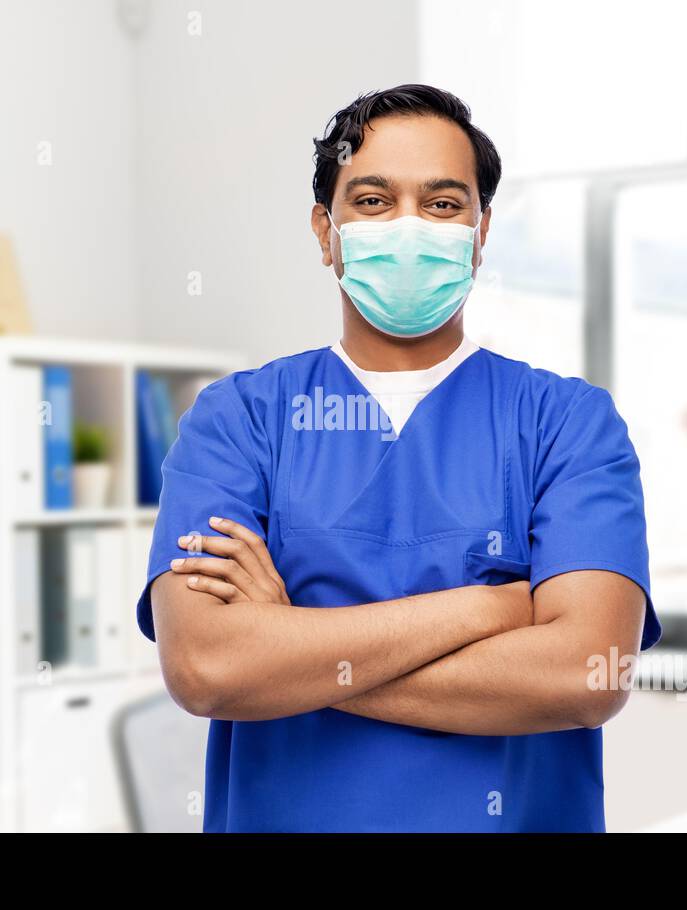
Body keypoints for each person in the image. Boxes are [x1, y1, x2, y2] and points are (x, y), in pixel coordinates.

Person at [137, 84, 660, 832]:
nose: (409, 226)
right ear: (326, 232)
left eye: (444, 205)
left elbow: (585, 675)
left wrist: (290, 643)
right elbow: (208, 668)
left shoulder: (567, 425)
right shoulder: (239, 419)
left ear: (480, 235)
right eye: (374, 200)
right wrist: (492, 607)